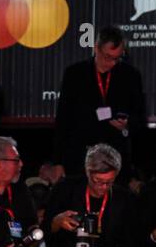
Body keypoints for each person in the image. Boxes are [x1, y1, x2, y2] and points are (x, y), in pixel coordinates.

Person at [55, 26, 146, 179]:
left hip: (116, 158)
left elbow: (140, 118)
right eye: (107, 57)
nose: (112, 63)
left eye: (117, 58)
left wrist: (126, 126)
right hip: (80, 158)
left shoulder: (131, 76)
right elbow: (63, 119)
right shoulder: (74, 74)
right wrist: (58, 161)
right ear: (96, 48)